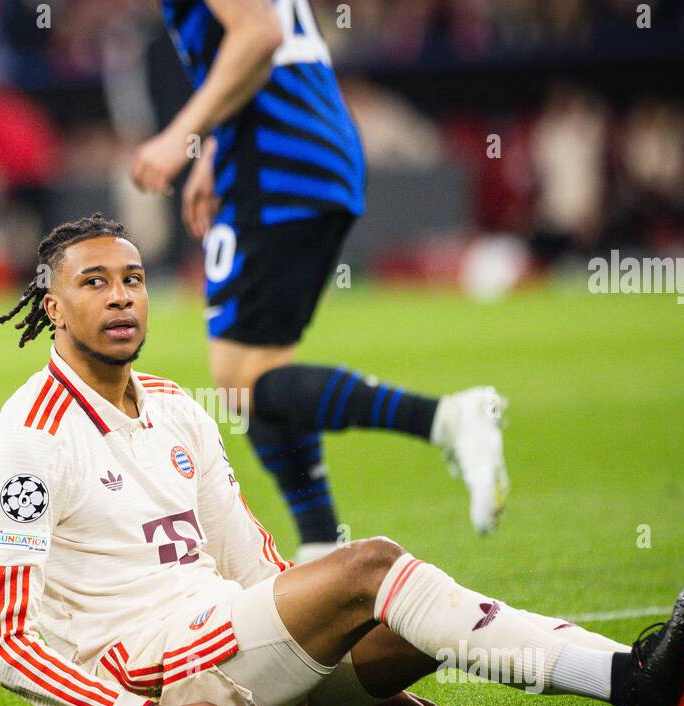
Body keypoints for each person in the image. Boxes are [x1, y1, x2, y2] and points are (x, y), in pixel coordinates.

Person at [0, 214, 684, 706]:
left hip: (226, 642)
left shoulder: (175, 406)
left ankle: (680, 684)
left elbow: (254, 565)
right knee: (371, 565)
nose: (122, 298)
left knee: (415, 624)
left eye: (134, 279)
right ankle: (639, 678)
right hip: (155, 671)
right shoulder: (30, 439)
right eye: (94, 283)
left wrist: (334, 659)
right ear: (51, 306)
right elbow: (7, 644)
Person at [130, 0, 508, 558]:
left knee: (241, 378)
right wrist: (214, 147)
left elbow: (259, 34)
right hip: (297, 148)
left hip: (279, 161)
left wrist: (178, 135)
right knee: (251, 373)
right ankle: (321, 544)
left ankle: (448, 419)